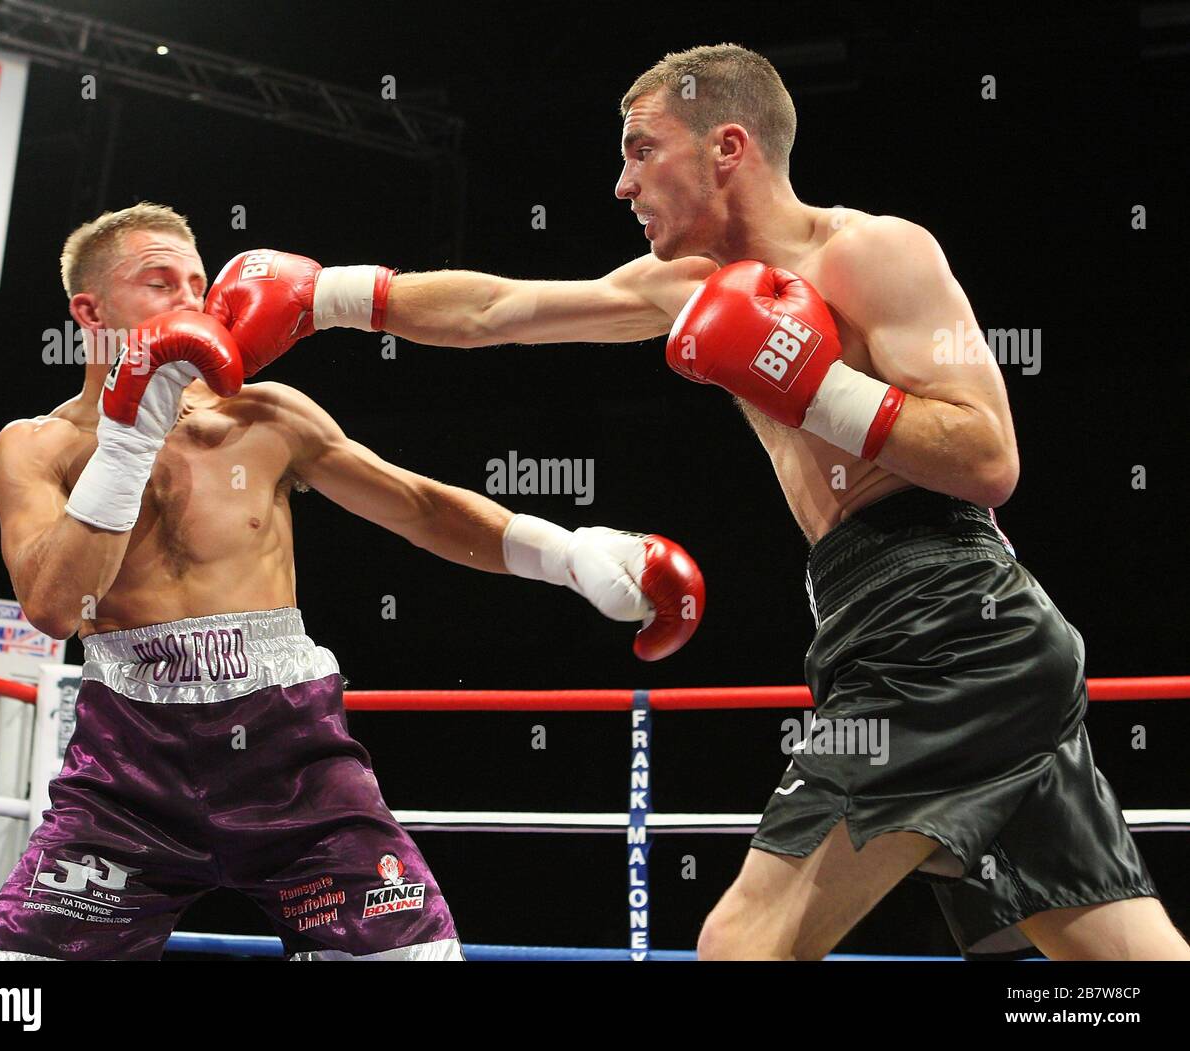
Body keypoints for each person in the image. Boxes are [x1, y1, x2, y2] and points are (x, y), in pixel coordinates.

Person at [207, 44, 1189, 960]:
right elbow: (498, 310)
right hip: (893, 619)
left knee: (741, 942)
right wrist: (326, 293)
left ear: (729, 146)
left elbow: (987, 457)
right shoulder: (685, 287)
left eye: (642, 150)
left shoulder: (873, 253)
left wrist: (816, 385)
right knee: (1110, 960)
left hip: (945, 626)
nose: (622, 182)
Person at [0, 202, 704, 962]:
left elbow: (417, 506)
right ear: (88, 310)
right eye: (158, 281)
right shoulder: (38, 446)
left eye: (197, 279)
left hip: (290, 758)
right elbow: (55, 607)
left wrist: (565, 552)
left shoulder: (267, 414)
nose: (190, 298)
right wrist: (128, 439)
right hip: (128, 774)